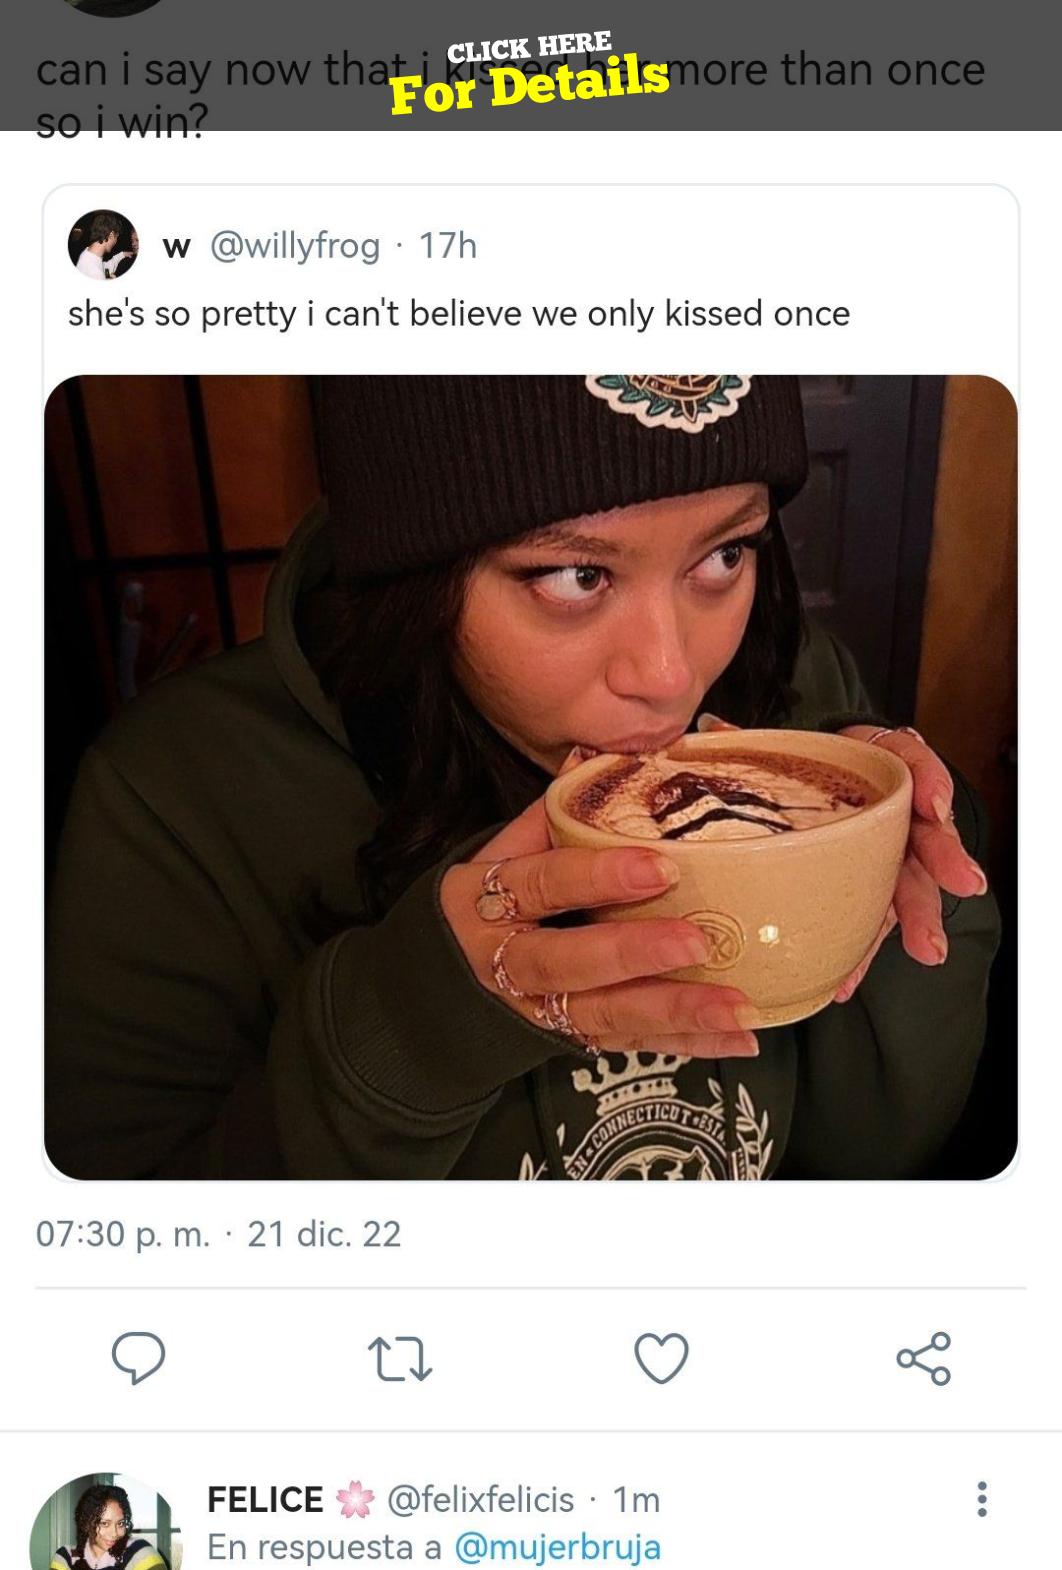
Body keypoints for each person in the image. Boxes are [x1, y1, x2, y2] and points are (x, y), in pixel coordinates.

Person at [45, 375, 1001, 1181]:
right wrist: (413, 1031)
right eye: (575, 578)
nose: (669, 674)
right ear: (415, 576)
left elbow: (871, 1163)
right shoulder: (177, 795)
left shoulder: (799, 703)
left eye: (724, 554)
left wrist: (900, 862)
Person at [52, 1485, 163, 1570]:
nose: (114, 1533)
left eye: (120, 1523)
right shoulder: (66, 1556)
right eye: (104, 1523)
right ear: (86, 1523)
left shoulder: (138, 1551)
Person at [74, 213, 132, 281]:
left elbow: (104, 267)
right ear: (111, 235)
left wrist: (122, 254)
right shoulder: (95, 274)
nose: (116, 241)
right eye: (116, 237)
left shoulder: (89, 255)